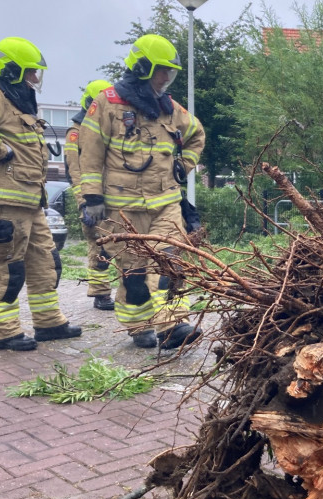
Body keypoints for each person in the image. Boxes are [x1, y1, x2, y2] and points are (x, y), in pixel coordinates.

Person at [78, 34, 204, 349]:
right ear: (143, 68)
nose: (166, 78)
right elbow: (89, 154)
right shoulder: (106, 103)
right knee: (134, 277)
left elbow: (196, 134)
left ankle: (173, 326)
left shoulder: (170, 108)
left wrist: (183, 165)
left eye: (170, 72)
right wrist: (91, 198)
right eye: (162, 70)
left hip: (165, 204)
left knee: (170, 265)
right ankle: (138, 326)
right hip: (122, 210)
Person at [0, 37, 81, 351]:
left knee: (45, 262)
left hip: (29, 200)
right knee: (5, 267)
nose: (35, 78)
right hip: (5, 200)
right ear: (11, 69)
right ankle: (4, 332)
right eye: (30, 71)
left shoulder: (17, 98)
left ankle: (49, 323)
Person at [64, 79, 114, 311]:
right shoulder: (76, 133)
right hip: (92, 201)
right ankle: (100, 294)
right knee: (99, 247)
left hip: (112, 198)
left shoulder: (106, 129)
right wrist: (83, 203)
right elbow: (74, 171)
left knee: (121, 247)